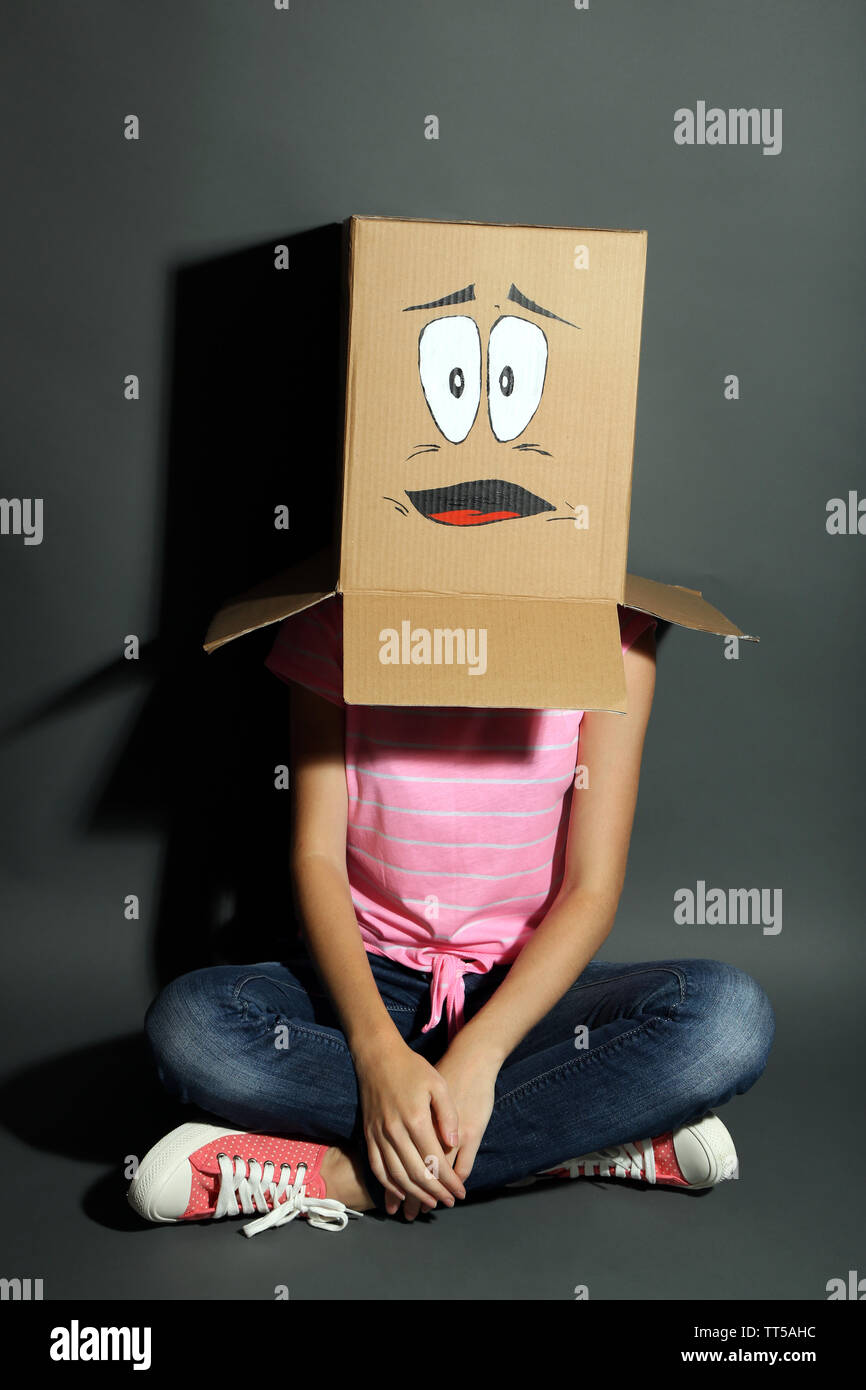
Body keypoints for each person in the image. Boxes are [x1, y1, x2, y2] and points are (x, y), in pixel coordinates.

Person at [128, 594, 775, 1236]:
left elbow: (592, 890)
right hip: (365, 989)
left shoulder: (614, 638)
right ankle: (574, 1140)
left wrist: (481, 1054)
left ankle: (338, 1178)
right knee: (190, 1026)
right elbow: (317, 858)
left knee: (728, 1018)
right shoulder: (333, 622)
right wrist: (377, 1054)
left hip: (528, 1000)